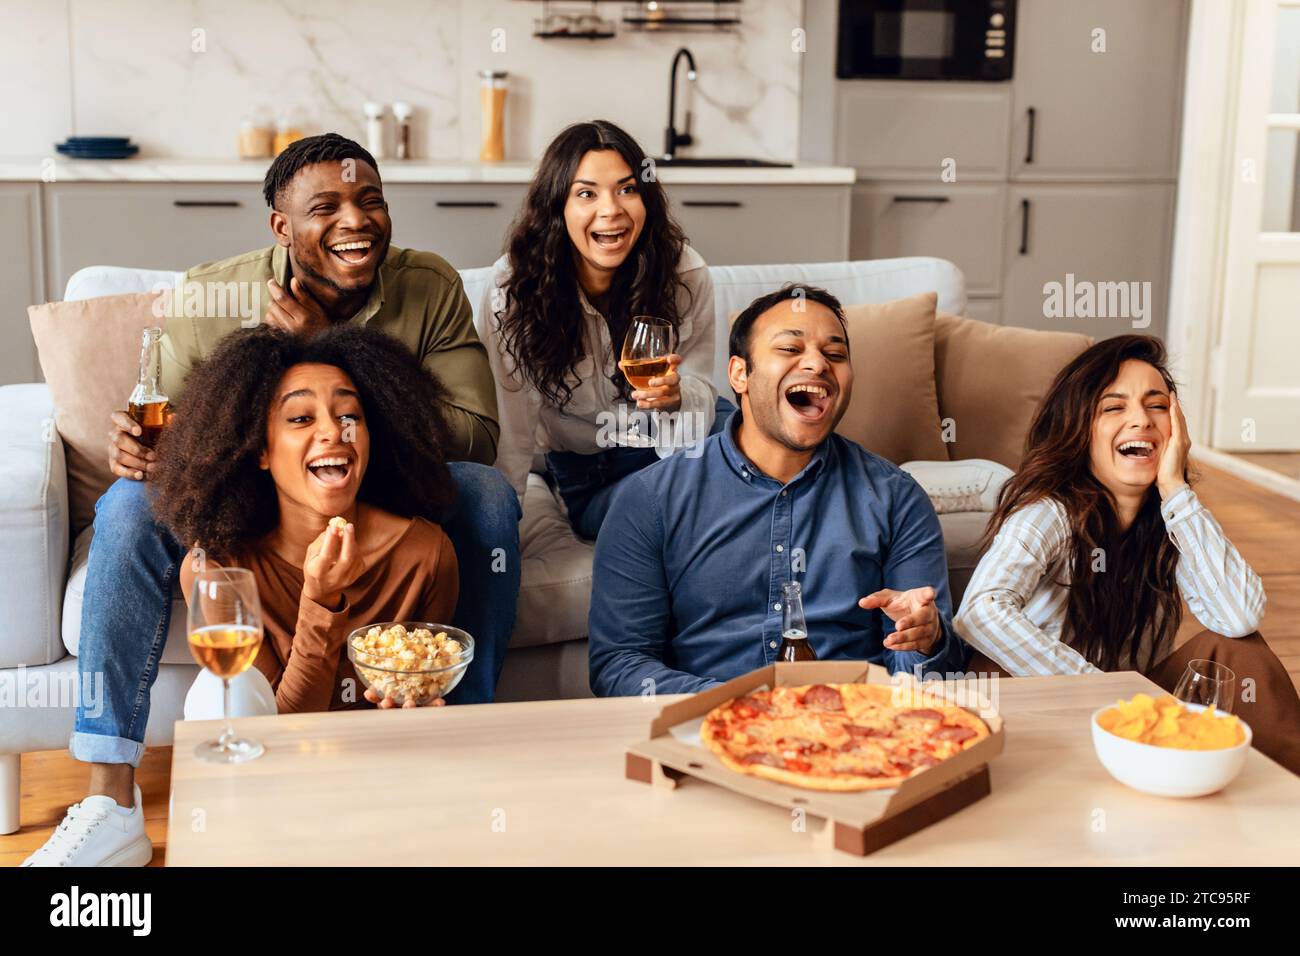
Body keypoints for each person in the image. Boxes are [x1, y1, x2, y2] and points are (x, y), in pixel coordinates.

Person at [38, 134, 519, 867]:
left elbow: (477, 437)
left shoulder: (428, 287)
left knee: (485, 496)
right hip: (254, 486)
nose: (355, 221)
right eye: (325, 207)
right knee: (128, 507)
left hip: (386, 474)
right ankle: (110, 794)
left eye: (370, 201)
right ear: (280, 227)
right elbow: (170, 436)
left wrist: (326, 349)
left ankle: (461, 738)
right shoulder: (208, 298)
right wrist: (136, 447)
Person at [587, 284, 970, 697]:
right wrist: (740, 707)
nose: (818, 364)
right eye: (790, 349)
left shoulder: (898, 498)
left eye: (835, 354)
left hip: (851, 730)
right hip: (706, 728)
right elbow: (620, 664)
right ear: (739, 374)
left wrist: (926, 641)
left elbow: (924, 681)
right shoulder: (650, 498)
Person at [954, 335, 1300, 774]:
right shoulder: (1050, 514)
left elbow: (1239, 616)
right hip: (1048, 712)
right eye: (1114, 408)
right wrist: (1104, 696)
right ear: (1080, 430)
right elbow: (979, 612)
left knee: (1238, 651)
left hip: (1126, 715)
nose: (1141, 420)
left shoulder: (1173, 520)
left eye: (1157, 406)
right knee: (993, 666)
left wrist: (1175, 489)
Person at [482, 119, 731, 540]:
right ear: (557, 206)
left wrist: (675, 397)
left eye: (627, 189)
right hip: (589, 471)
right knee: (665, 505)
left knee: (759, 437)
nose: (611, 209)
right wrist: (501, 537)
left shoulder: (684, 274)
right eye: (586, 193)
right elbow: (512, 425)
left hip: (672, 440)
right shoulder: (513, 289)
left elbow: (698, 388)